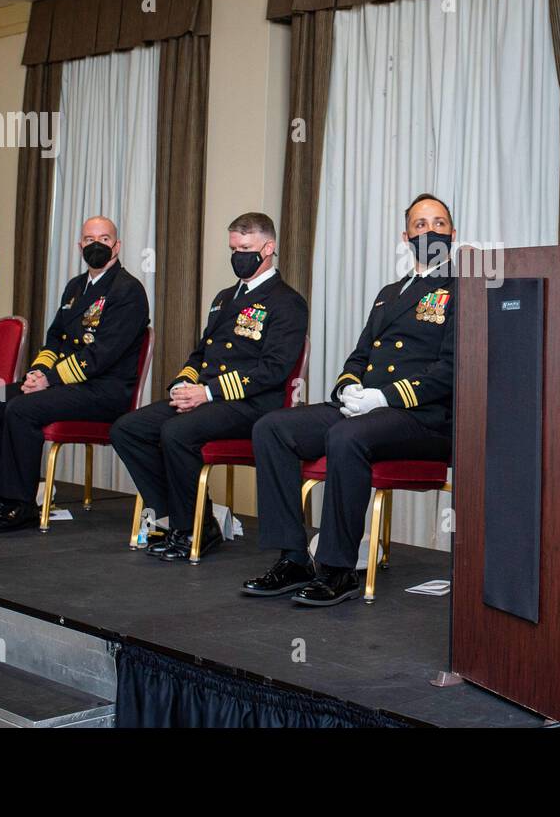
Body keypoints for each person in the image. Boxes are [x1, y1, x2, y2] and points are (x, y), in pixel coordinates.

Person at [243, 194, 456, 606]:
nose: (429, 231)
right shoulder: (389, 293)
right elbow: (360, 355)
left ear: (452, 233)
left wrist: (383, 396)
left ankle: (338, 570)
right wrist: (348, 388)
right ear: (406, 235)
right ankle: (293, 558)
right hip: (369, 411)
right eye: (420, 225)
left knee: (347, 436)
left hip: (424, 419)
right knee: (273, 427)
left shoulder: (463, 289)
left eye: (439, 224)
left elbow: (451, 370)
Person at [110, 213, 307, 561]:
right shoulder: (224, 297)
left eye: (245, 248)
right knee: (128, 429)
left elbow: (273, 370)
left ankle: (193, 529)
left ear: (268, 247)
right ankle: (181, 518)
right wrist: (185, 383)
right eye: (233, 248)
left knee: (176, 432)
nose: (237, 256)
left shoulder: (287, 302)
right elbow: (201, 353)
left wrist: (208, 392)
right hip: (207, 398)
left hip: (252, 405)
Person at [0, 216, 149, 533]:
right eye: (89, 239)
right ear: (79, 245)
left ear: (117, 245)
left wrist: (49, 380)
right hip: (59, 385)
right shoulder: (75, 287)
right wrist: (38, 371)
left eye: (104, 238)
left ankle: (20, 505)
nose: (96, 245)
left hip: (102, 391)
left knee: (20, 408)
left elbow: (101, 355)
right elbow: (55, 339)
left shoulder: (128, 291)